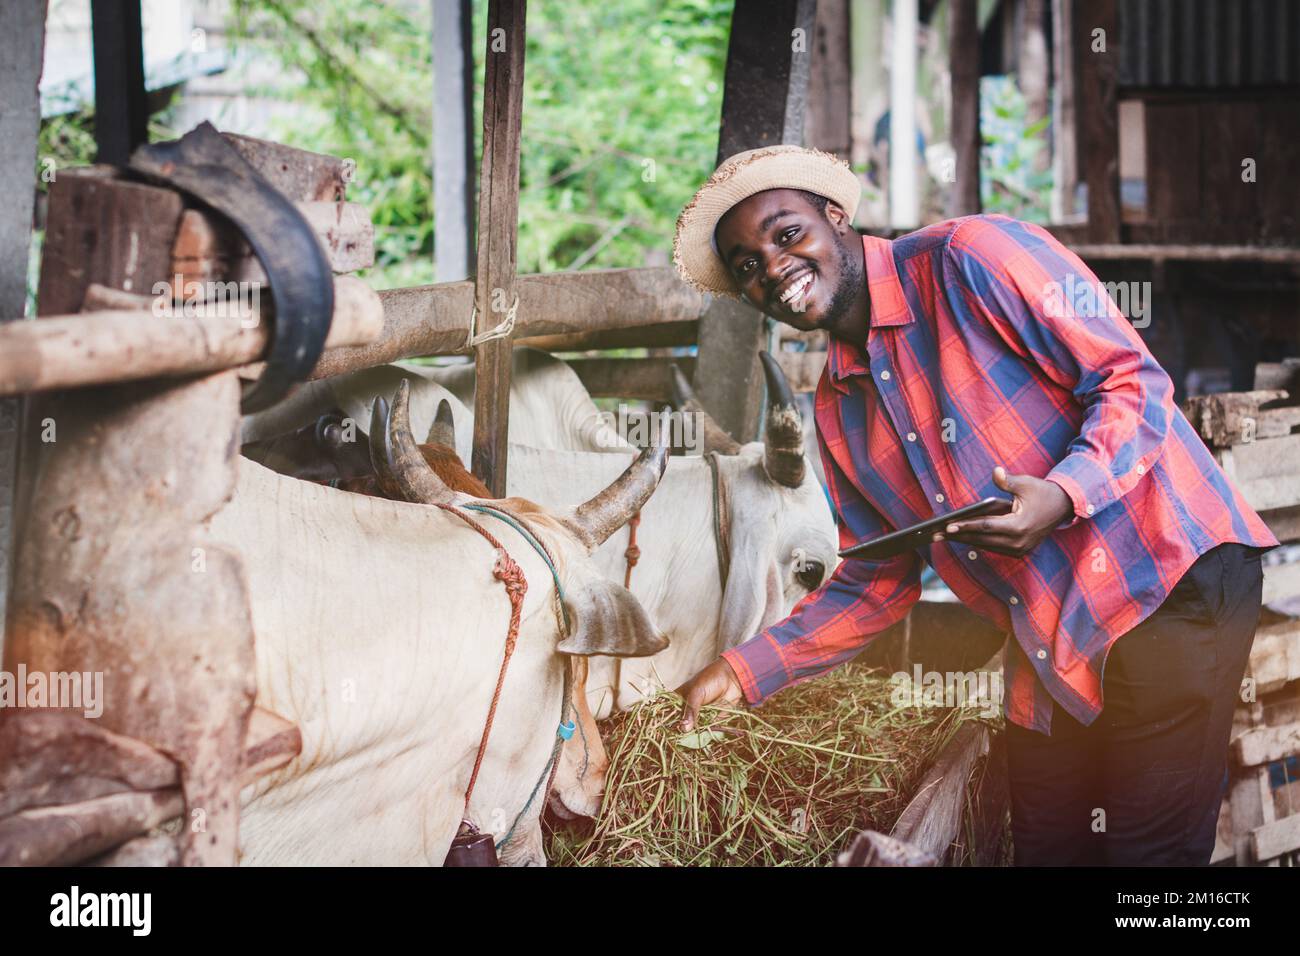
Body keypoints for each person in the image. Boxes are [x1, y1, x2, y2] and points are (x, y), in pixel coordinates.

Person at [670, 144, 1278, 866]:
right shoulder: (840, 407)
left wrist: (1063, 494)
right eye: (747, 265)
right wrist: (743, 671)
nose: (772, 267)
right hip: (1050, 637)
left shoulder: (974, 257)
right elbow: (877, 581)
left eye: (786, 233)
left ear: (834, 215)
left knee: (1145, 861)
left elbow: (1132, 384)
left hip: (1164, 576)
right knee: (1048, 848)